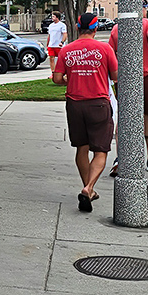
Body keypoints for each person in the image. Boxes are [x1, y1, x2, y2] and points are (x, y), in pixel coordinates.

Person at [53, 11, 118, 211]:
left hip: (74, 103)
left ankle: (88, 191)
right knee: (101, 150)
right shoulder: (105, 49)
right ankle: (89, 187)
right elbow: (115, 75)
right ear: (95, 29)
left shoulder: (67, 50)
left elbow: (56, 78)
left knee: (81, 147)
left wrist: (69, 79)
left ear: (77, 28)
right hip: (98, 103)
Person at [108, 3, 148, 173]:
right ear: (142, 10)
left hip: (124, 79)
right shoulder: (147, 23)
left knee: (123, 116)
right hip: (146, 75)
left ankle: (120, 157)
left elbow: (111, 52)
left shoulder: (117, 28)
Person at [46, 11, 67, 78]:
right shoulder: (51, 26)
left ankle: (63, 73)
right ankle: (53, 73)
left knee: (61, 60)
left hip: (59, 46)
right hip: (51, 45)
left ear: (57, 17)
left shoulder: (62, 25)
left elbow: (65, 34)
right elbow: (49, 35)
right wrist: (47, 44)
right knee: (51, 59)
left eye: (53, 16)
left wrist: (62, 42)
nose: (52, 18)